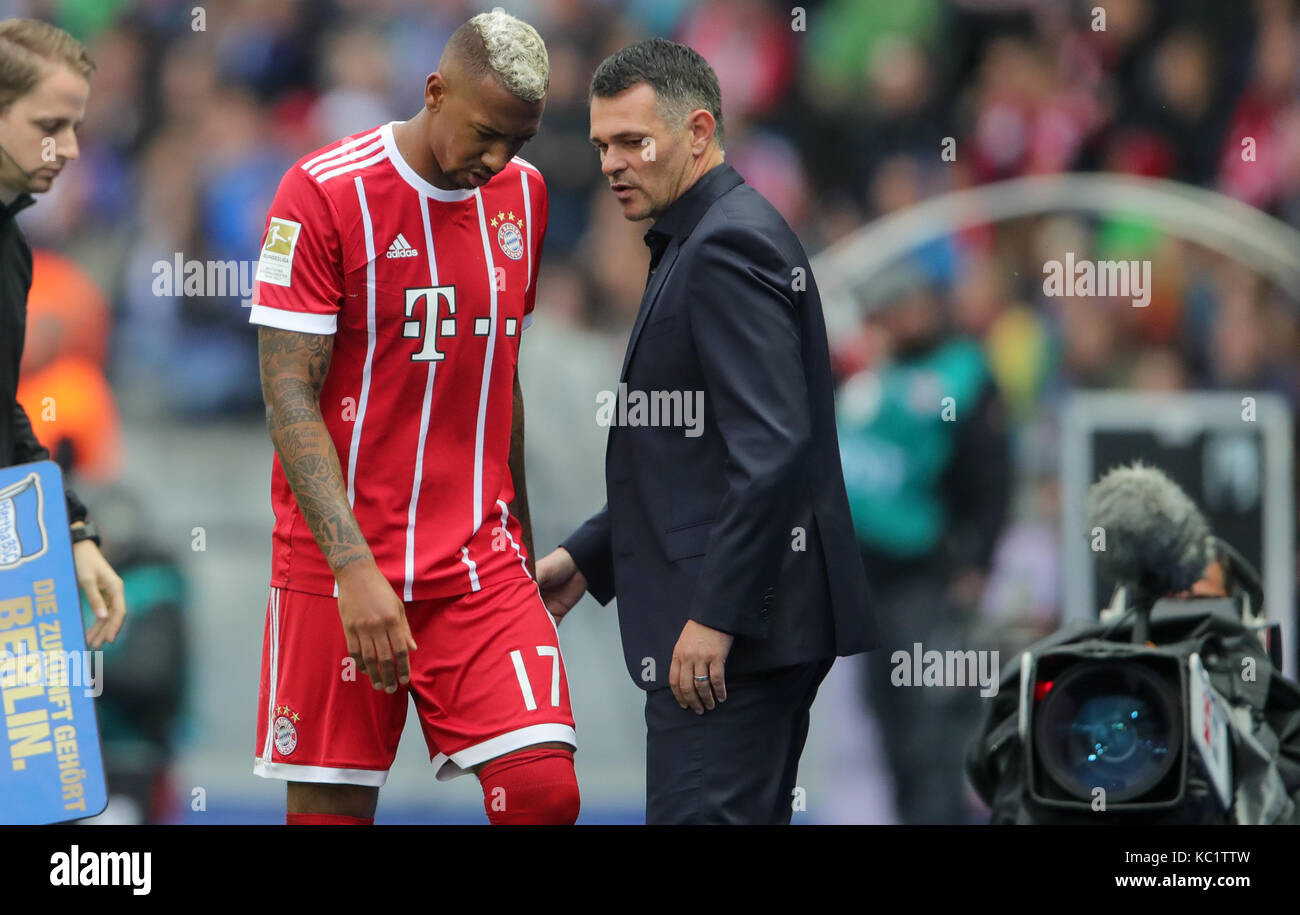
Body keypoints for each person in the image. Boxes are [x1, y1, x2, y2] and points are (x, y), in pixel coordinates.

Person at [249, 11, 579, 826]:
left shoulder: (523, 199)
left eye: (520, 141)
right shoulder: (322, 191)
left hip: (478, 559)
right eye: (486, 133)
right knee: (330, 814)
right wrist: (353, 567)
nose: (499, 158)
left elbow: (503, 376)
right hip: (343, 565)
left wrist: (526, 546)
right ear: (435, 92)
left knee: (543, 795)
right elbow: (289, 394)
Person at [536, 38, 877, 825]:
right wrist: (591, 554)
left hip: (727, 642)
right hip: (741, 632)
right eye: (601, 145)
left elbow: (768, 448)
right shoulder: (704, 234)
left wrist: (716, 615)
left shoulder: (725, 243)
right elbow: (705, 459)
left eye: (633, 141)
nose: (613, 163)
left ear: (697, 132)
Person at [0, 18, 125, 649]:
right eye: (49, 127)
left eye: (74, 128)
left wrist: (72, 531)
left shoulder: (12, 246)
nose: (70, 149)